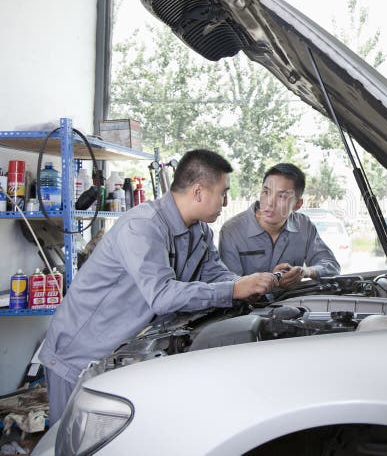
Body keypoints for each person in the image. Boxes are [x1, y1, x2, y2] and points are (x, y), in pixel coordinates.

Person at [39, 149, 279, 423]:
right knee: (74, 441)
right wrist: (235, 290)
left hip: (119, 353)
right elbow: (162, 296)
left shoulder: (199, 231)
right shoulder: (143, 227)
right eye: (223, 193)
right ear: (199, 192)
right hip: (77, 356)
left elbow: (216, 274)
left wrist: (258, 283)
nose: (225, 202)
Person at [218, 163, 340, 289]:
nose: (270, 203)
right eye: (266, 192)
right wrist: (274, 280)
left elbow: (331, 266)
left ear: (297, 204)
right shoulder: (232, 231)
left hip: (293, 304)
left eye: (282, 196)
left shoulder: (304, 226)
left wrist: (304, 272)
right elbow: (230, 287)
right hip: (249, 308)